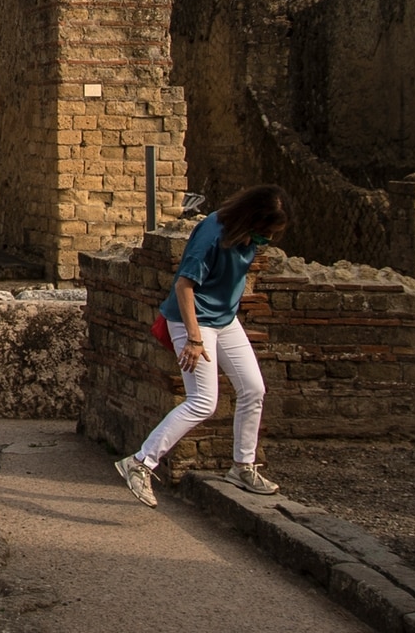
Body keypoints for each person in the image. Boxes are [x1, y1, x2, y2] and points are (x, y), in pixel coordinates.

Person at [115, 184, 290, 506]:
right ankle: (140, 462)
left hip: (224, 320)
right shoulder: (212, 234)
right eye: (264, 233)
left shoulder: (244, 234)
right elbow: (183, 285)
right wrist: (194, 339)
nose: (266, 241)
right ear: (249, 219)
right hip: (191, 321)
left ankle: (242, 467)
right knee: (202, 402)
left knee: (254, 389)